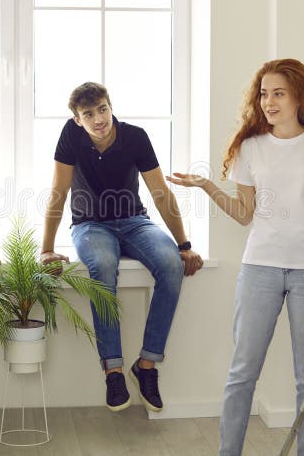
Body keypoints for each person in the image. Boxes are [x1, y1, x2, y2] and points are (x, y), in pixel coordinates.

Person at [168, 59, 304, 456]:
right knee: (242, 372)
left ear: (300, 96)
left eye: (278, 93)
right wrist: (207, 185)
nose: (268, 101)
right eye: (264, 94)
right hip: (259, 267)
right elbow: (245, 214)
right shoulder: (250, 147)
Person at [39, 81, 204, 413]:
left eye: (103, 109)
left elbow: (160, 193)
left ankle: (146, 365)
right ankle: (113, 371)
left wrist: (184, 244)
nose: (99, 119)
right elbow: (58, 191)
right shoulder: (70, 136)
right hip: (90, 225)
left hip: (134, 221)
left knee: (170, 263)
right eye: (89, 114)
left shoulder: (135, 137)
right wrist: (46, 248)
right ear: (77, 120)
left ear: (110, 107)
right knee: (102, 265)